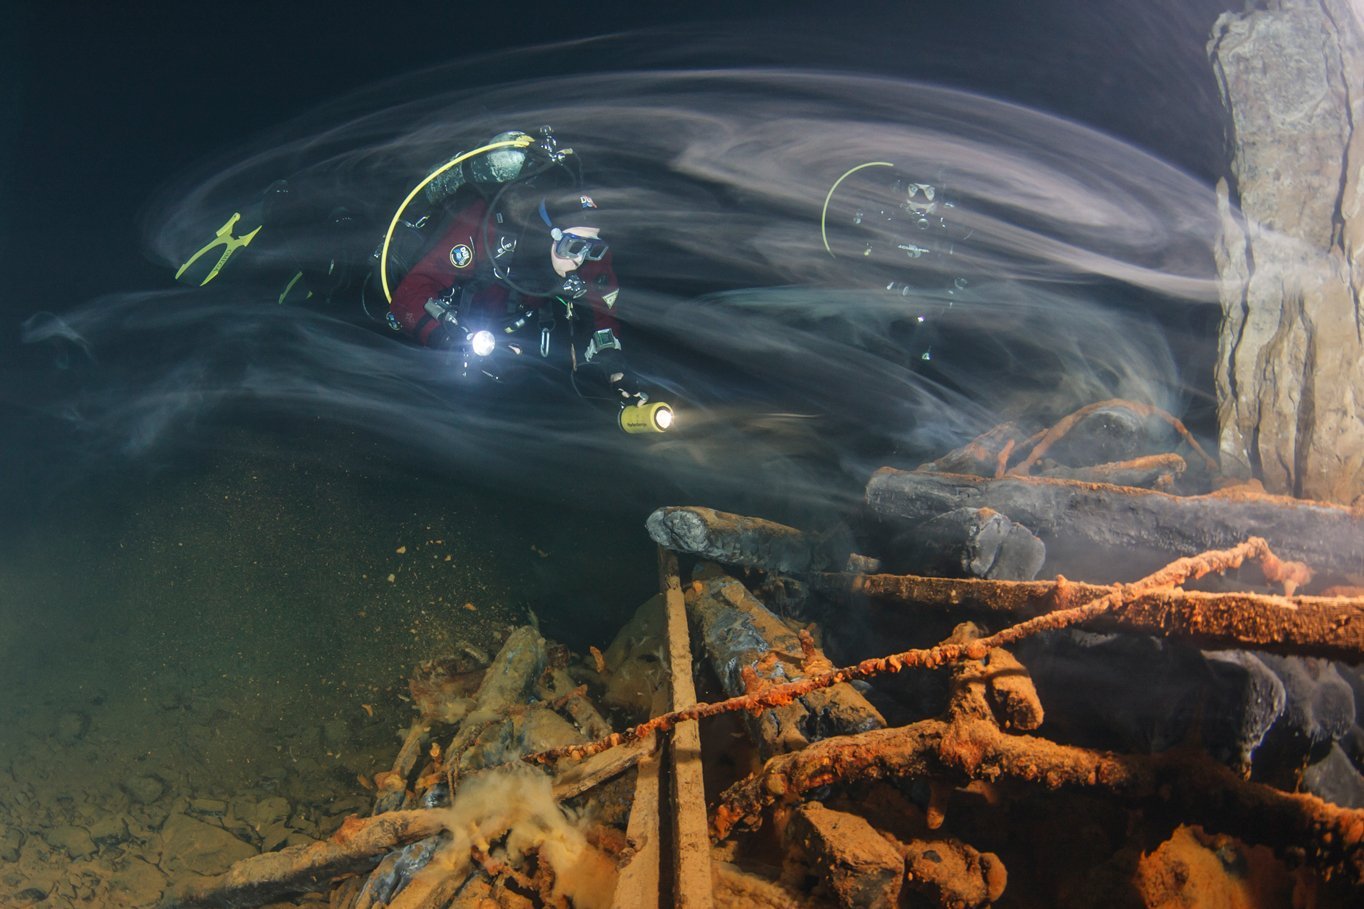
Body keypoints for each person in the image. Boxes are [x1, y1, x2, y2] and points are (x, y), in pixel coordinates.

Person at [387, 142, 639, 405]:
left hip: (512, 332)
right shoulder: (481, 228)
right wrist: (445, 339)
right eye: (572, 247)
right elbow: (410, 293)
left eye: (592, 248)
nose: (580, 259)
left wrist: (613, 361)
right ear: (548, 234)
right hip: (464, 325)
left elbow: (604, 309)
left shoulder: (586, 254)